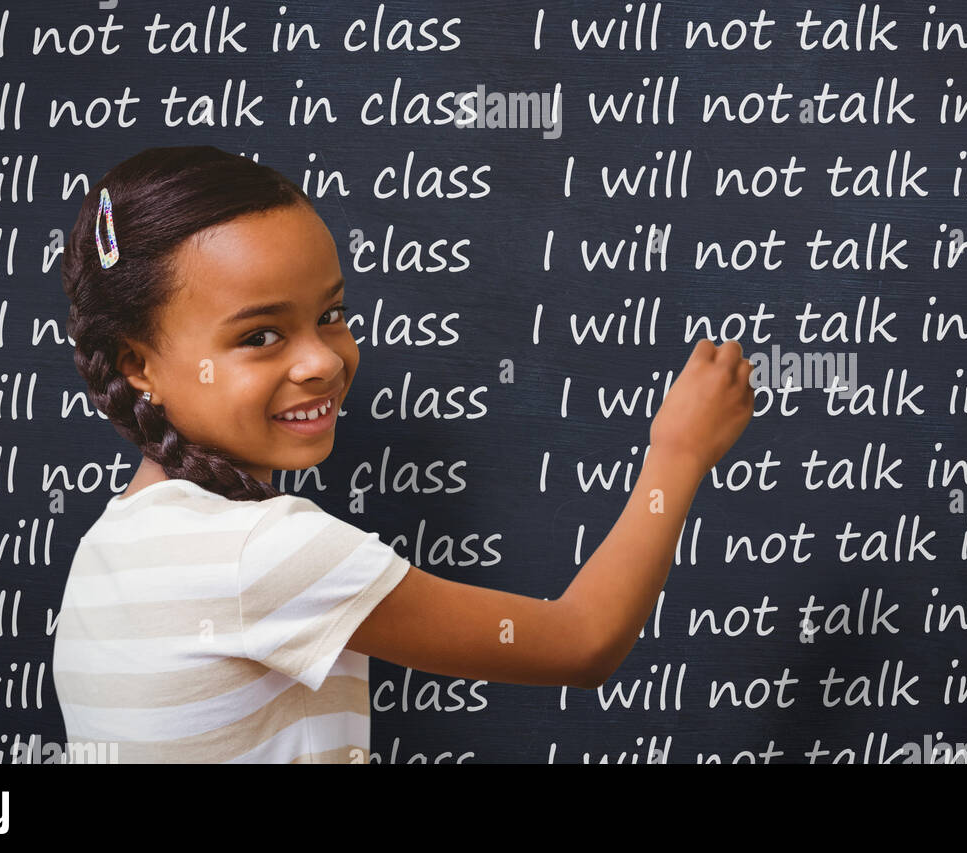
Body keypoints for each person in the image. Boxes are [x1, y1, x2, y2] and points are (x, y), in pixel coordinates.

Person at [52, 145, 753, 762]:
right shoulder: (259, 553)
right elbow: (581, 641)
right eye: (260, 336)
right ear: (137, 365)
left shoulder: (115, 542)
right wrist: (679, 452)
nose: (321, 361)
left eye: (330, 315)